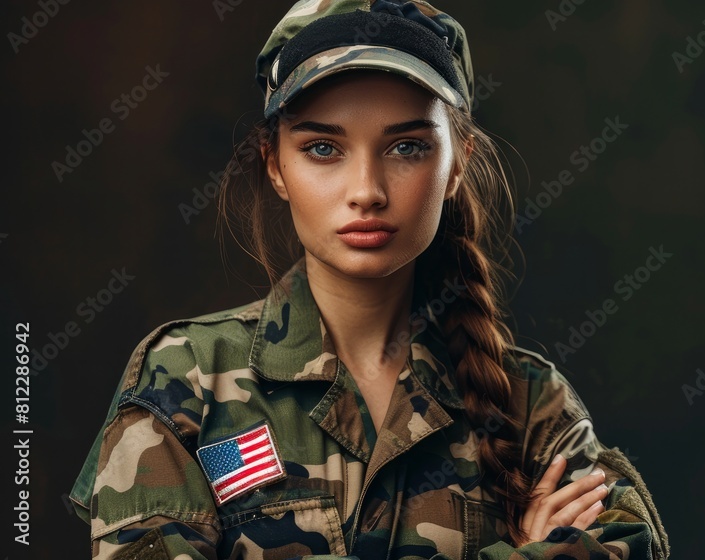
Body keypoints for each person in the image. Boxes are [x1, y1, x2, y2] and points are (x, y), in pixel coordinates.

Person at [69, 1, 670, 558]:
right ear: (275, 165)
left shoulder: (529, 403)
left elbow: (629, 541)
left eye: (406, 147)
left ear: (456, 164)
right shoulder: (188, 380)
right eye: (323, 148)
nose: (367, 191)